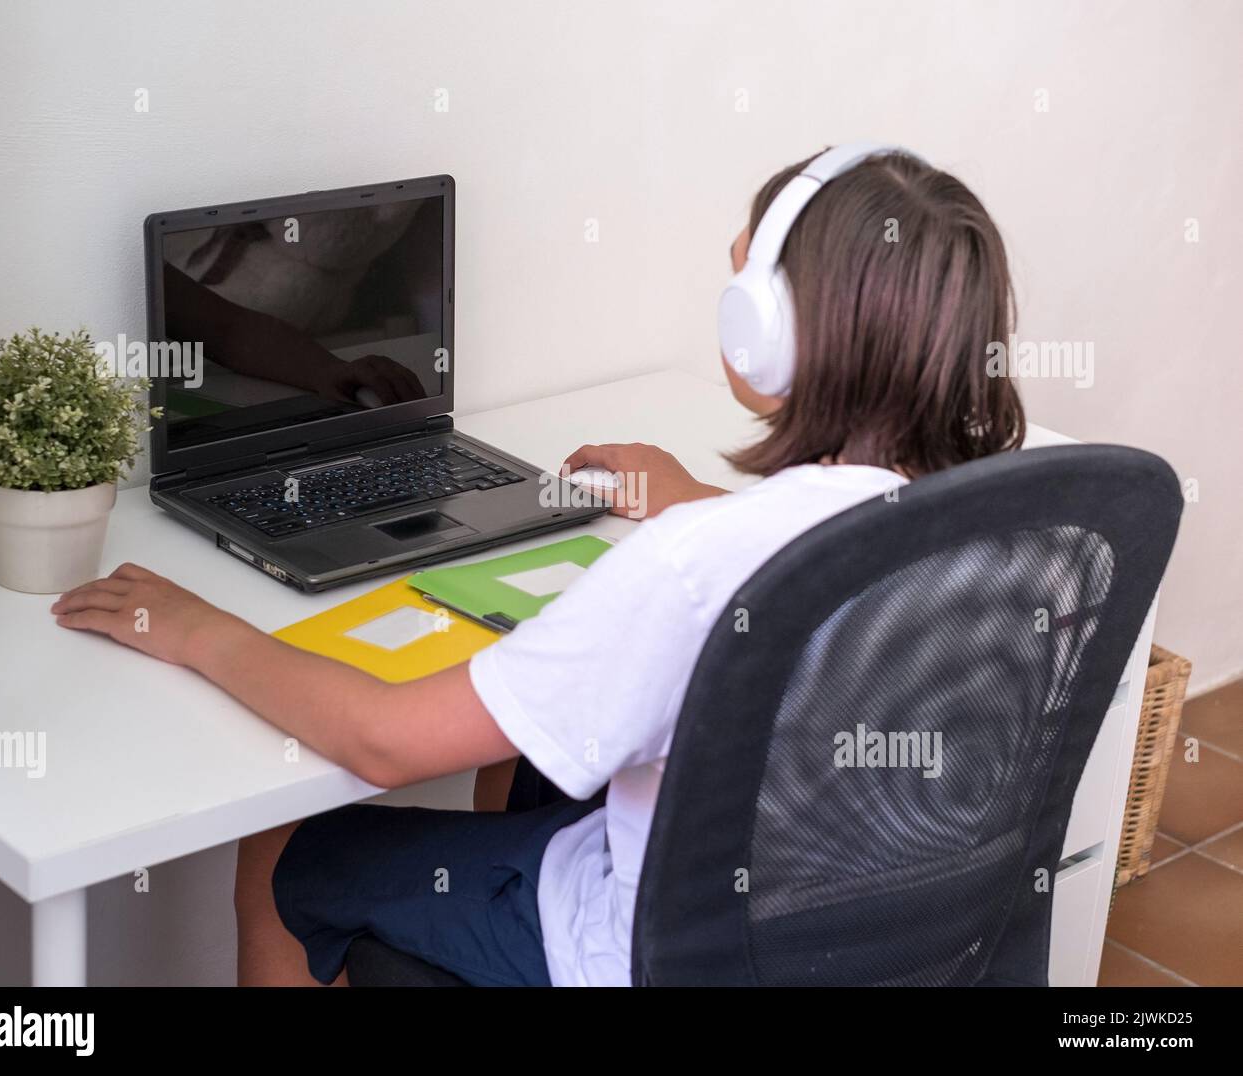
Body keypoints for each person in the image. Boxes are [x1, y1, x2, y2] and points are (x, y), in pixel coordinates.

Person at [50, 146, 1025, 987]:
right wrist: (696, 498)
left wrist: (200, 629)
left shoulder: (691, 567)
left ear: (765, 333)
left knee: (283, 852)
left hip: (639, 952)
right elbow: (816, 552)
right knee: (524, 763)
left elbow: (382, 742)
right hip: (841, 940)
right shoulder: (995, 522)